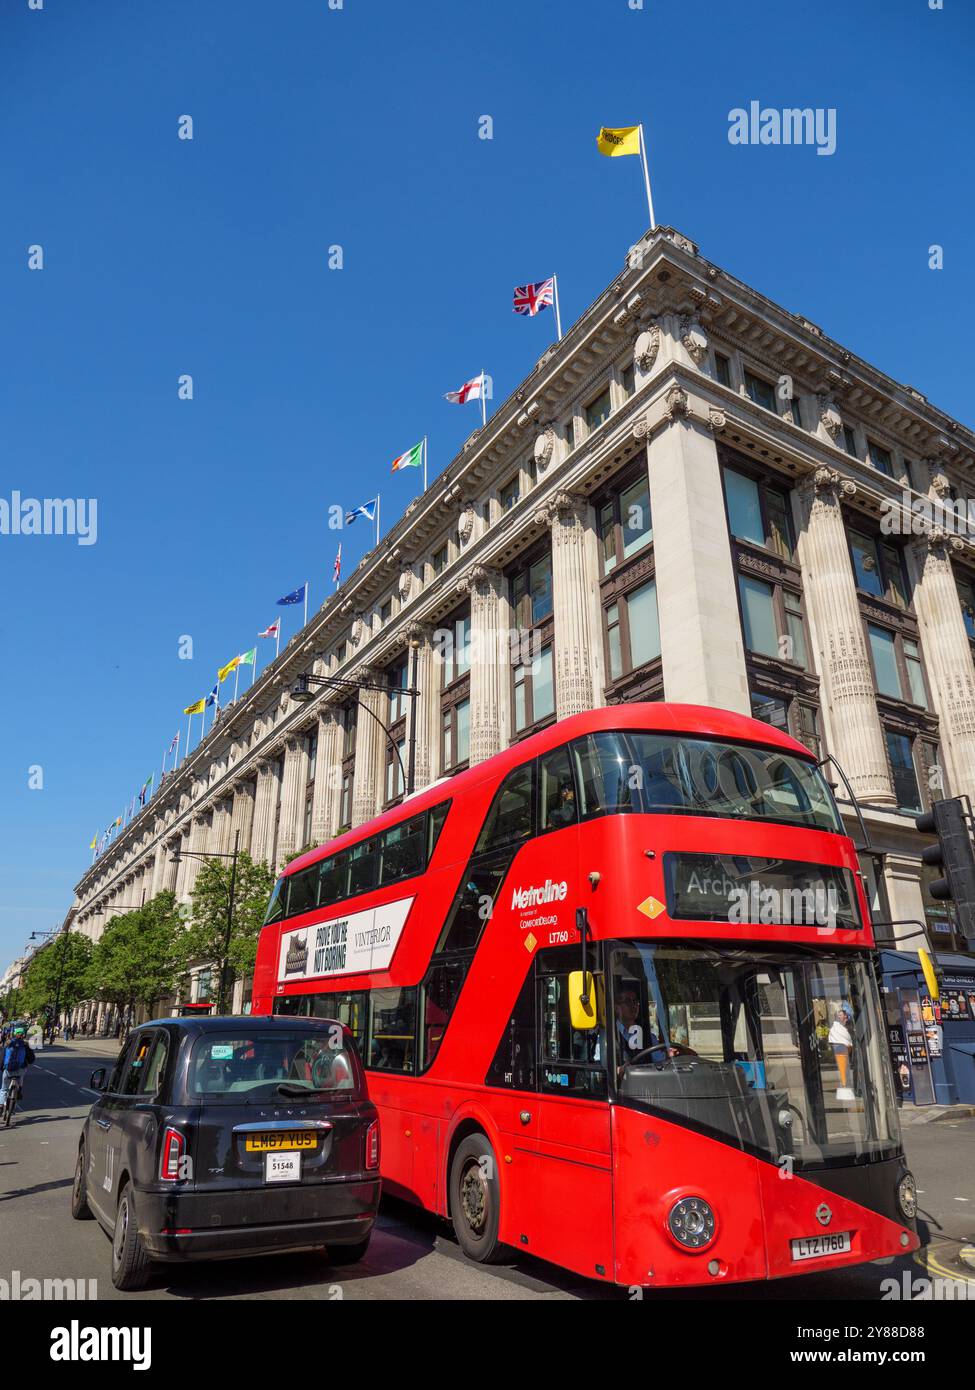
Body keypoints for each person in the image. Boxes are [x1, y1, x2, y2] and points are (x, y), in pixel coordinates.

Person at [1, 1025, 35, 1111]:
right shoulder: (25, 1045)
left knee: (4, 1088)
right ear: (23, 1035)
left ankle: (1, 1105)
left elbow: (2, 1057)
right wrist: (28, 1062)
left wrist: (1, 1067)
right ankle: (19, 1090)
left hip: (8, 1070)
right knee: (22, 1075)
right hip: (20, 1070)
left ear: (13, 1034)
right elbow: (31, 1059)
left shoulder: (8, 1043)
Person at [828, 1005, 855, 1100]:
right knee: (843, 1067)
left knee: (846, 1067)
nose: (839, 1016)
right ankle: (844, 1084)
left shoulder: (849, 1025)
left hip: (847, 1048)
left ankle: (846, 1084)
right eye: (838, 1015)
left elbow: (851, 1037)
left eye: (840, 1015)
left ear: (845, 1016)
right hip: (840, 1047)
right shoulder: (836, 1027)